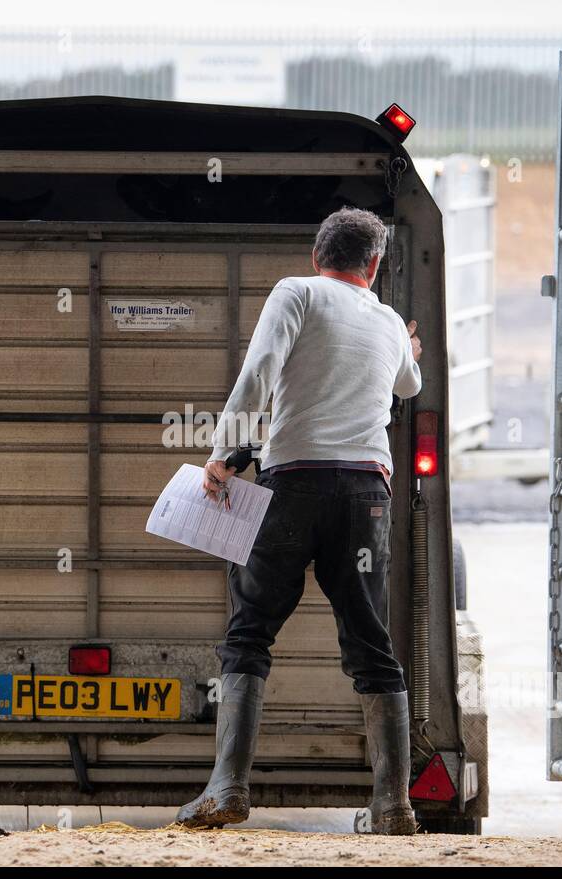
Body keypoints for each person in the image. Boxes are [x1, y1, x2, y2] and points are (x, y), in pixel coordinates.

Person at [176, 207, 423, 835]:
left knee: (250, 632)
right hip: (368, 494)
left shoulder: (297, 293)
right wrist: (409, 351)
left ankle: (228, 786)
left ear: (318, 257)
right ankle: (393, 805)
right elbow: (409, 385)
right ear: (374, 267)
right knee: (372, 643)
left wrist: (222, 455)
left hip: (294, 486)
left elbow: (259, 371)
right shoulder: (391, 321)